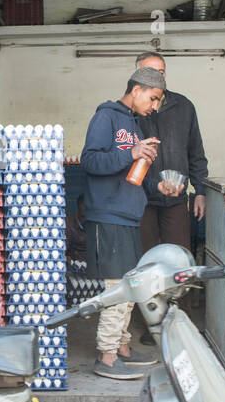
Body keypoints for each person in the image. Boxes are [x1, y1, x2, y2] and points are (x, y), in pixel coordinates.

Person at [80, 66, 167, 380]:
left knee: (129, 287)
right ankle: (106, 356)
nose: (155, 106)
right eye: (153, 98)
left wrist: (156, 186)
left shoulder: (136, 124)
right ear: (137, 90)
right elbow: (90, 160)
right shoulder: (106, 117)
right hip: (108, 215)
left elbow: (133, 173)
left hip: (129, 216)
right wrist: (130, 153)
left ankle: (123, 349)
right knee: (116, 288)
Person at [132, 50, 210, 343]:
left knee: (180, 261)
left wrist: (199, 191)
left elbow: (196, 153)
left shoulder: (183, 106)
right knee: (147, 264)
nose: (157, 77)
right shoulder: (130, 111)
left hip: (177, 200)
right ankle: (152, 327)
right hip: (141, 201)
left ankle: (182, 325)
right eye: (150, 71)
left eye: (161, 71)